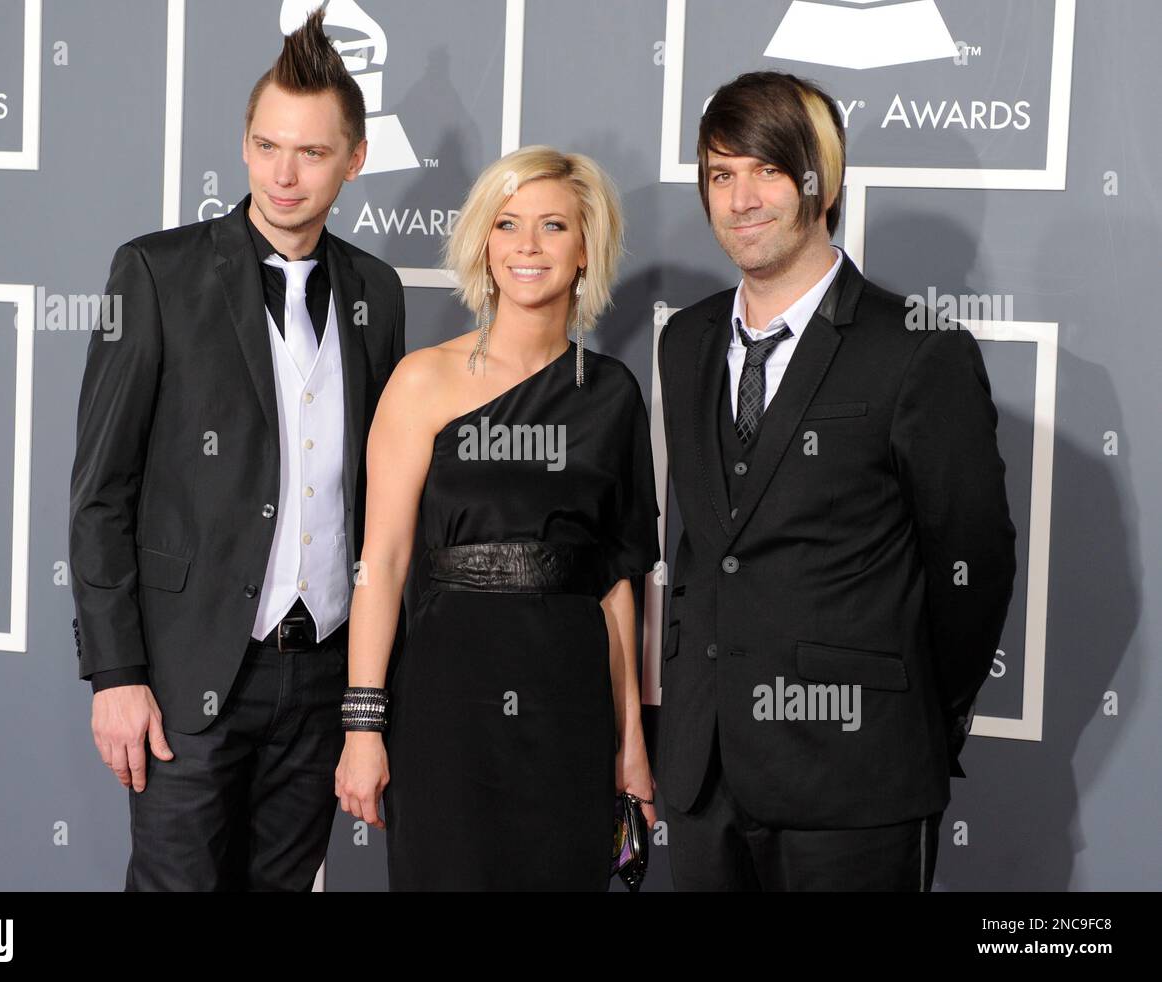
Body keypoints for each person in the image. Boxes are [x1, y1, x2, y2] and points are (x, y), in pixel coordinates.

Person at [68, 9, 406, 890]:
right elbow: (101, 490)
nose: (284, 175)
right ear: (245, 145)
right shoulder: (156, 274)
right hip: (190, 673)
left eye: (312, 153)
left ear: (355, 159)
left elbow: (379, 493)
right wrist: (116, 673)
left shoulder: (377, 290)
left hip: (323, 675)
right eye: (266, 146)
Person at [656, 71, 1017, 891]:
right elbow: (706, 549)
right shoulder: (686, 340)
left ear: (825, 181)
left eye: (768, 170)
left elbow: (973, 564)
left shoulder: (918, 349)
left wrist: (910, 715)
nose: (740, 198)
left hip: (858, 779)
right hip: (704, 778)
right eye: (720, 174)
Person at [335, 145, 661, 890]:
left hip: (568, 705)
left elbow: (618, 585)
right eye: (509, 224)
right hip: (447, 704)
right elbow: (380, 565)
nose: (528, 246)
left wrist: (631, 743)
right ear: (484, 242)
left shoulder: (611, 395)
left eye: (553, 226)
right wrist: (362, 725)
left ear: (586, 250)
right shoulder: (422, 381)